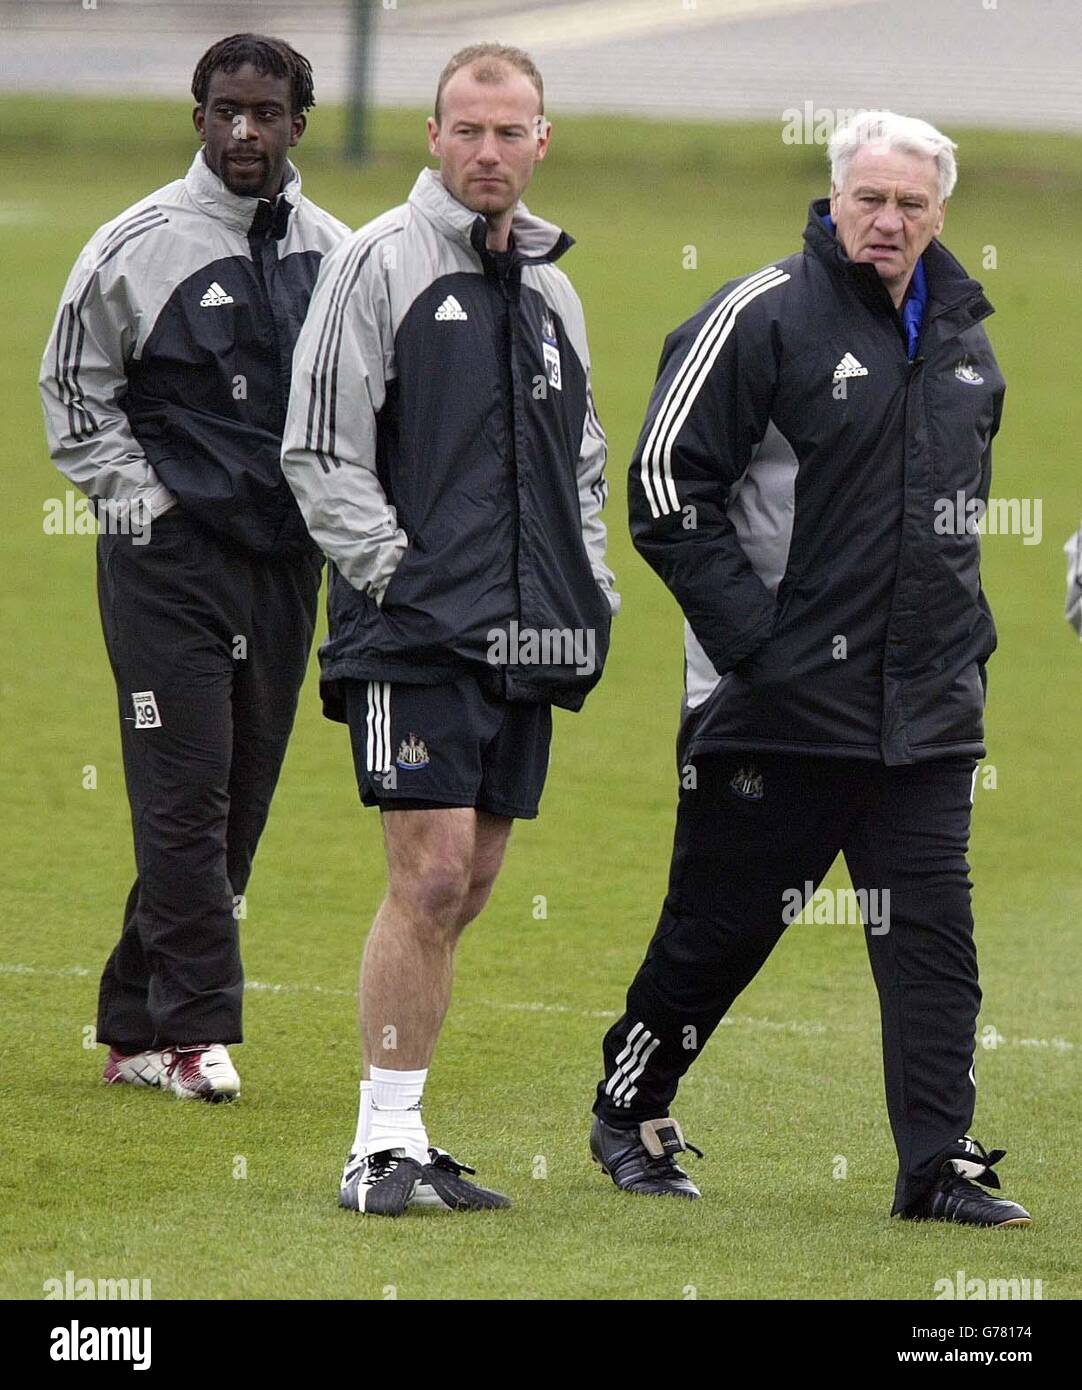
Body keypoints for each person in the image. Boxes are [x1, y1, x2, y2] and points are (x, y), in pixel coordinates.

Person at [590, 110, 1030, 1227]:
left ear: (940, 212)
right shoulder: (760, 316)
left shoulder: (968, 343)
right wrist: (758, 649)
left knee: (931, 938)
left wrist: (959, 648)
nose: (887, 221)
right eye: (868, 200)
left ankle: (935, 1165)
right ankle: (628, 1104)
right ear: (834, 199)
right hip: (773, 709)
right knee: (718, 934)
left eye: (910, 204)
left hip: (925, 710)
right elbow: (658, 489)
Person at [282, 43, 617, 1215]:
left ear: (540, 141)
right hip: (411, 632)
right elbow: (318, 451)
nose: (488, 151)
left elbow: (581, 456)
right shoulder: (375, 263)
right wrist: (399, 580)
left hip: (526, 637)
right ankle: (376, 1147)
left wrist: (590, 587)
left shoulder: (551, 285)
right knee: (424, 874)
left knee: (468, 883)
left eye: (509, 131)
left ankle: (406, 1132)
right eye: (466, 130)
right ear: (433, 137)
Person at [39, 33, 347, 1102]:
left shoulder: (338, 253)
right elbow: (72, 400)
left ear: (299, 122)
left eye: (265, 112)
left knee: (240, 799)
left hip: (282, 568)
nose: (244, 131)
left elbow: (362, 407)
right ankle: (199, 1030)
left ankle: (133, 1019)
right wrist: (152, 512)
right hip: (166, 569)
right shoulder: (134, 244)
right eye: (225, 110)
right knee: (183, 791)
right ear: (197, 116)